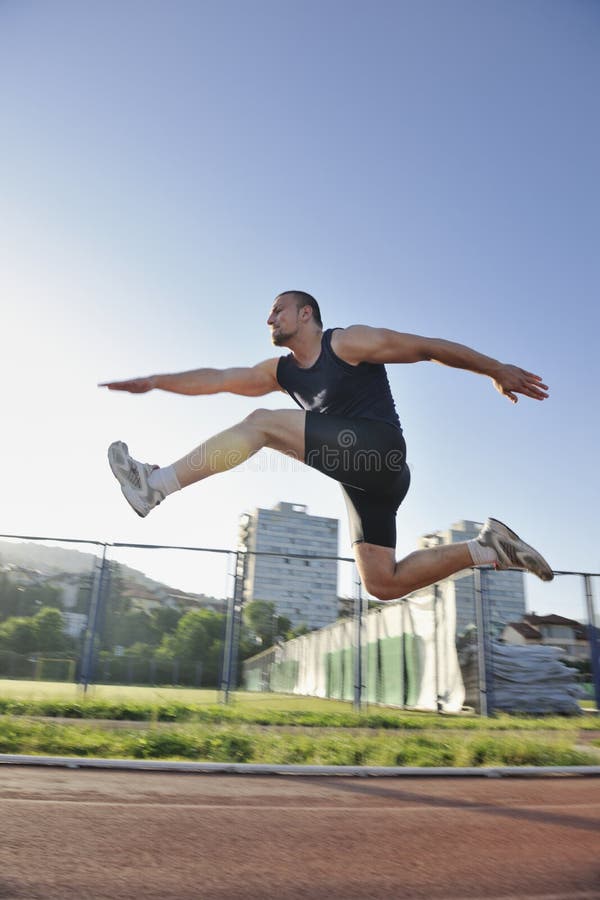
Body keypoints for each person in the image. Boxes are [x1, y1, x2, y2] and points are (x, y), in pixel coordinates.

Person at [100, 290, 553, 600]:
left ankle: (154, 485)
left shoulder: (347, 342)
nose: (269, 318)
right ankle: (489, 548)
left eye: (279, 309)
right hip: (366, 484)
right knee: (382, 583)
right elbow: (218, 379)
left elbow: (426, 347)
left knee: (261, 424)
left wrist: (495, 368)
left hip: (381, 451)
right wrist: (156, 382)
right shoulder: (282, 372)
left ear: (305, 314)